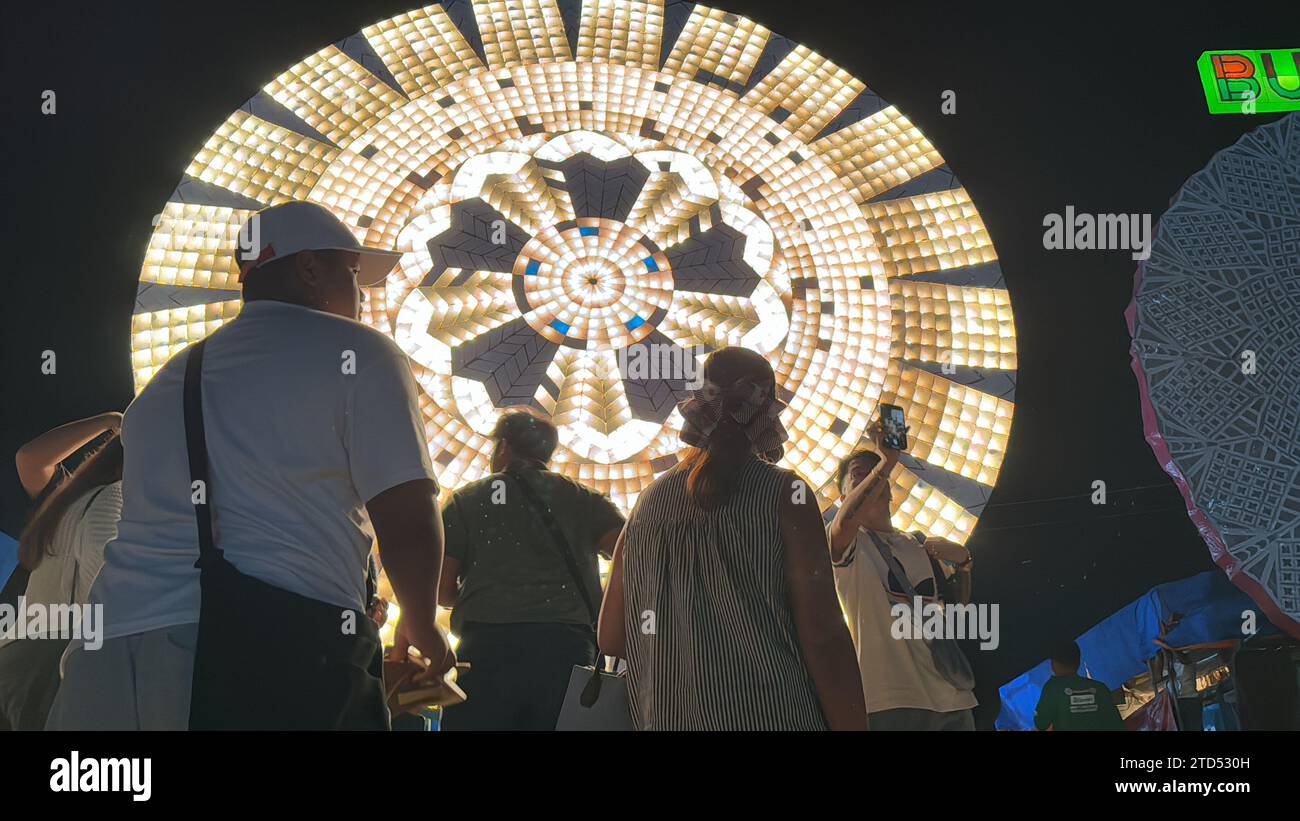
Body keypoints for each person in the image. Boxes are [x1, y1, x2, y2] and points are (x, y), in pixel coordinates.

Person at [47, 200, 452, 730]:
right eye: (353, 275)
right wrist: (421, 622)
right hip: (267, 655)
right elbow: (406, 511)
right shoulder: (359, 352)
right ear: (309, 268)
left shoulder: (167, 382)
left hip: (106, 657)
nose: (361, 296)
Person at [599, 347, 867, 730]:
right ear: (768, 408)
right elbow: (822, 633)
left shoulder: (647, 503)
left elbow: (610, 638)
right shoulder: (785, 494)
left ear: (697, 401)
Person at [437, 410, 625, 730]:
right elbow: (633, 556)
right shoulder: (586, 500)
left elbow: (440, 589)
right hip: (566, 649)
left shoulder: (466, 500)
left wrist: (483, 592)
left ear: (504, 447)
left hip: (485, 649)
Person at [828, 432, 978, 730]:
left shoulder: (919, 543)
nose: (870, 479)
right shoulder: (846, 541)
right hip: (889, 699)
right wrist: (885, 462)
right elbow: (845, 522)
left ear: (889, 490)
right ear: (845, 498)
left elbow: (956, 611)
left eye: (874, 475)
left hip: (952, 697)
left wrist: (964, 563)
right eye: (858, 476)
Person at [0, 415, 123, 730]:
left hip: (16, 655)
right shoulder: (129, 506)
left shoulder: (65, 498)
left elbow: (29, 457)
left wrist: (109, 420)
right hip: (65, 666)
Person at [1034, 641, 1125, 731]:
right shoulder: (1100, 688)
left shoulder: (1052, 688)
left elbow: (1041, 723)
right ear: (1078, 662)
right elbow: (1116, 725)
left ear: (1054, 664)